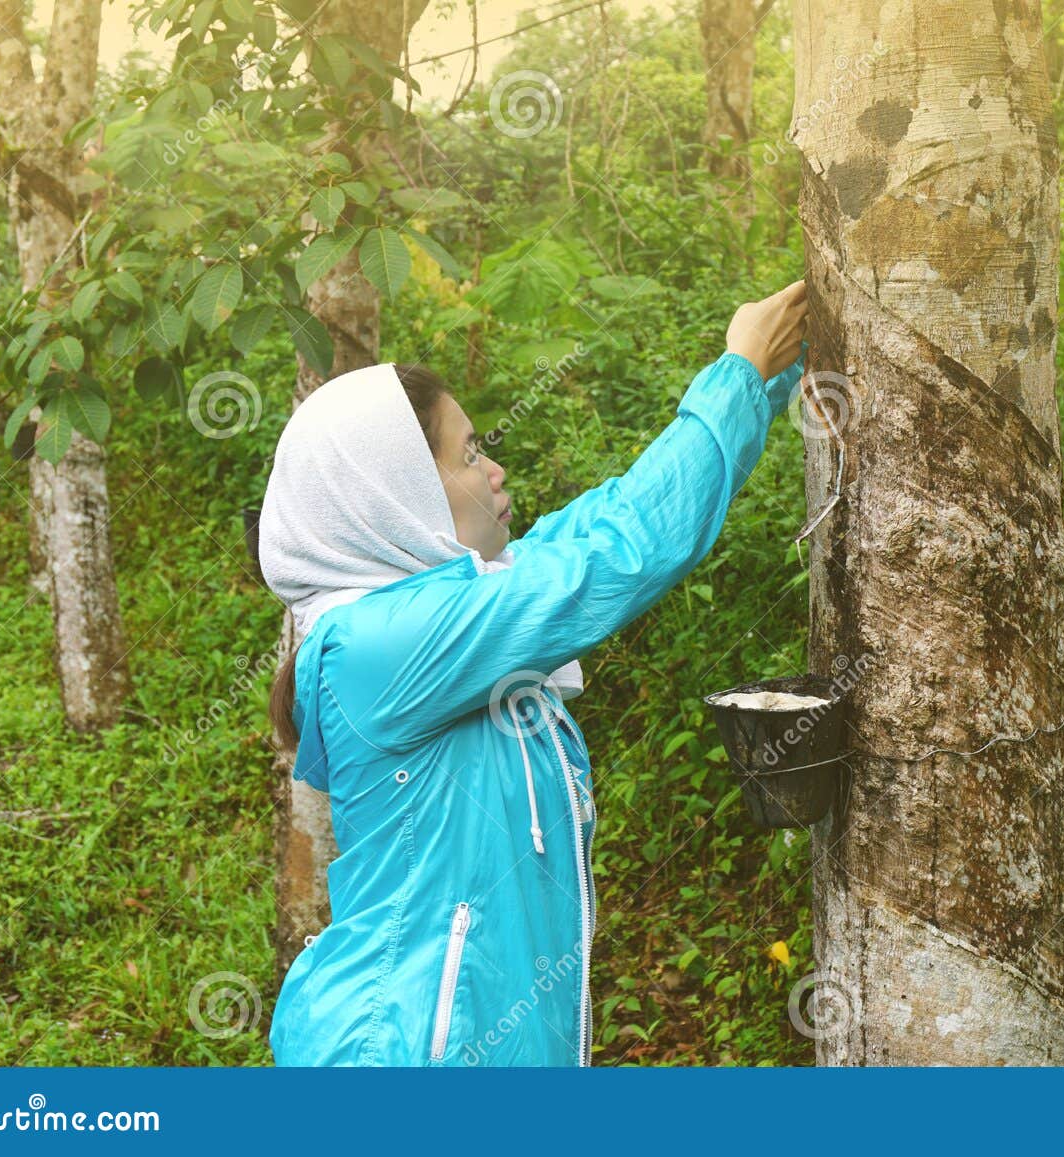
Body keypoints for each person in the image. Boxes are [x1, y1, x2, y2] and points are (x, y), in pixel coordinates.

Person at [257, 280, 808, 1066]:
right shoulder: (379, 643)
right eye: (470, 452)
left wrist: (771, 369)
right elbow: (617, 554)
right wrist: (735, 370)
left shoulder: (445, 608)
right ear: (398, 496)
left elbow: (607, 518)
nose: (497, 468)